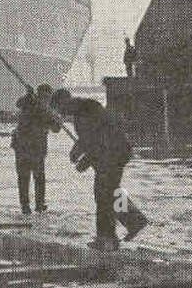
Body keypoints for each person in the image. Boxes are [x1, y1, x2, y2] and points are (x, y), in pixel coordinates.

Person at [50, 88, 144, 249]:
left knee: (102, 195)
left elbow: (94, 140)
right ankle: (134, 221)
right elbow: (89, 139)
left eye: (60, 109)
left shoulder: (85, 112)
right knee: (110, 190)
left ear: (64, 102)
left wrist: (83, 161)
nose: (62, 114)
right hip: (115, 152)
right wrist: (78, 152)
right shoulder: (85, 109)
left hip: (113, 153)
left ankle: (107, 239)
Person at [11, 84, 60, 215]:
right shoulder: (29, 102)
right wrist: (28, 95)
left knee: (38, 177)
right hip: (23, 146)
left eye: (47, 97)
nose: (46, 99)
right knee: (24, 177)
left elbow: (56, 128)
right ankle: (25, 206)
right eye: (43, 96)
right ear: (39, 95)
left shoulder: (48, 110)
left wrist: (55, 118)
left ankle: (39, 204)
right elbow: (19, 103)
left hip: (37, 148)